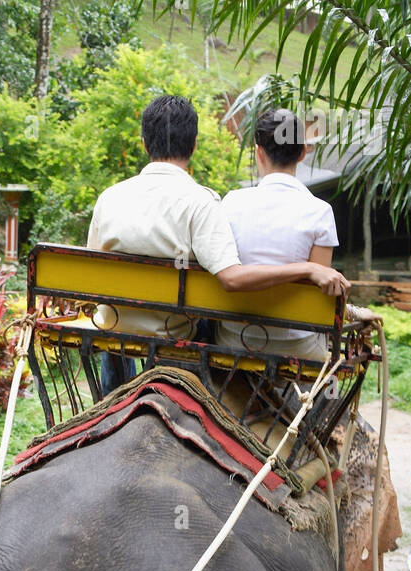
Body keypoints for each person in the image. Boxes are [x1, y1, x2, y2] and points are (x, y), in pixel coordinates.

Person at [86, 94, 350, 395]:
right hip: (175, 334)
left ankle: (108, 397)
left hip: (116, 330)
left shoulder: (109, 198)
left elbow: (96, 267)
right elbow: (229, 276)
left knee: (115, 319)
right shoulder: (202, 202)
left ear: (145, 144)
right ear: (194, 145)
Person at [218, 108, 340, 360]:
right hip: (298, 344)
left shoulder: (231, 203)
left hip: (234, 337)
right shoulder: (320, 211)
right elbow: (321, 288)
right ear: (303, 152)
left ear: (259, 153)